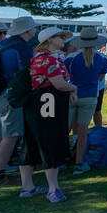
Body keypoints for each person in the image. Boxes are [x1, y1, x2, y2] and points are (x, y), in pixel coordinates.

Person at [17, 27, 75, 203]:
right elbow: (60, 84)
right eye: (60, 36)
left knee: (32, 142)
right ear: (49, 40)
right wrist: (74, 88)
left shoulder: (44, 58)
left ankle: (27, 187)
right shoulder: (48, 60)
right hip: (47, 104)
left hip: (40, 104)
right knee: (50, 143)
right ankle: (53, 188)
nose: (64, 39)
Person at [0, 16, 35, 189]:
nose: (34, 31)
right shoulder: (22, 47)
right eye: (33, 29)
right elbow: (26, 72)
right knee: (10, 136)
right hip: (11, 95)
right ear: (27, 30)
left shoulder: (3, 45)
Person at [64, 26, 107, 173]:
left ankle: (61, 161)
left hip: (72, 94)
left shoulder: (71, 58)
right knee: (83, 131)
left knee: (66, 128)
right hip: (90, 96)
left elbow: (66, 76)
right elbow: (100, 78)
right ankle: (79, 163)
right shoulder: (101, 58)